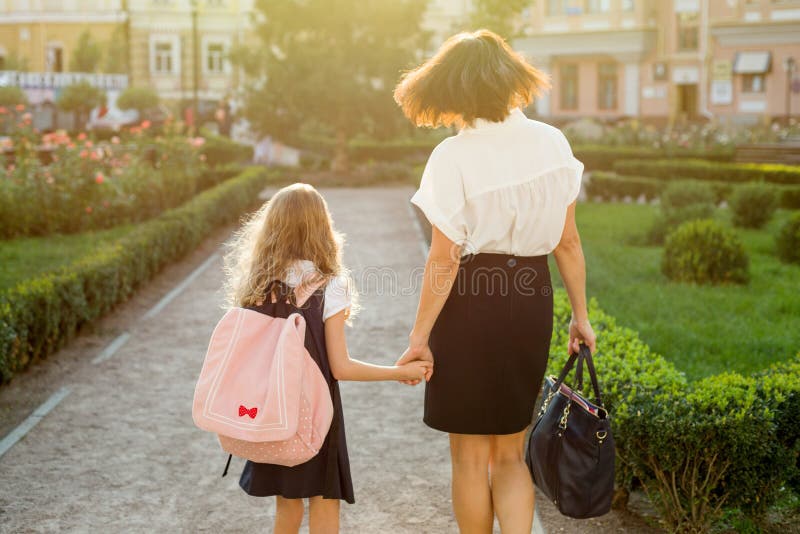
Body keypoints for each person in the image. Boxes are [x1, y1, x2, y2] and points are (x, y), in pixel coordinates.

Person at [393, 30, 597, 534]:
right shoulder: (554, 143)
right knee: (510, 451)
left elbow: (444, 258)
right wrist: (581, 316)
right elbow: (567, 243)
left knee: (467, 457)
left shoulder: (453, 156)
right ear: (512, 81)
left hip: (471, 301)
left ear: (453, 88)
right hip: (533, 297)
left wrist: (419, 337)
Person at [223, 183, 432, 534]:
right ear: (322, 227)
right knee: (324, 502)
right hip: (315, 412)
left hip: (270, 409)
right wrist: (398, 372)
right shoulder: (329, 283)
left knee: (286, 506)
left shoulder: (257, 284)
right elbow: (340, 366)